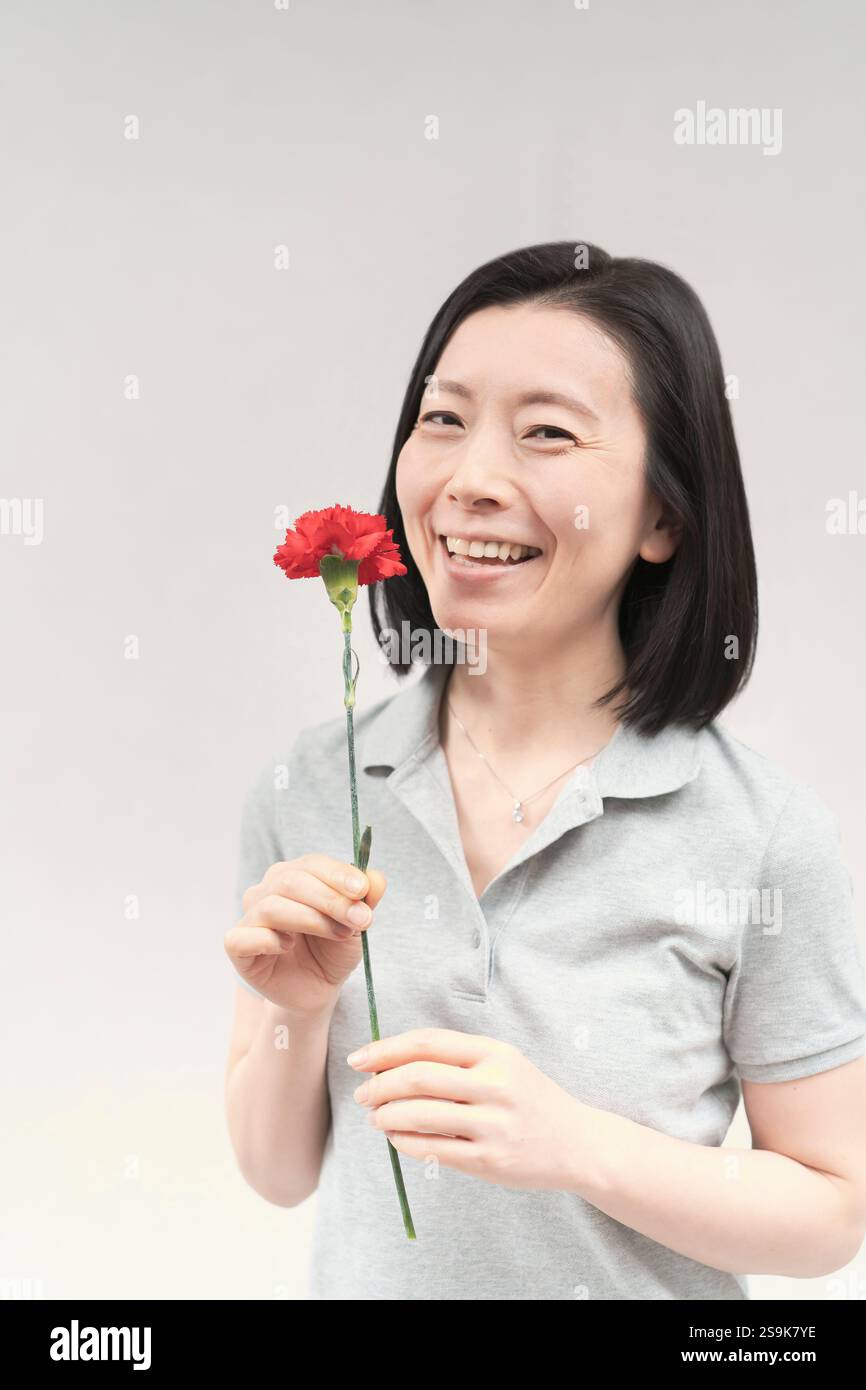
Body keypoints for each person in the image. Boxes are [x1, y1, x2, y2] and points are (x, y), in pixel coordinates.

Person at [224, 241, 866, 1300]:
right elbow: (277, 1169)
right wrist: (294, 1008)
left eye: (547, 433)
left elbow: (828, 1211)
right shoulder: (312, 788)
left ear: (663, 514)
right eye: (442, 418)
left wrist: (572, 1144)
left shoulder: (756, 834)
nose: (470, 479)